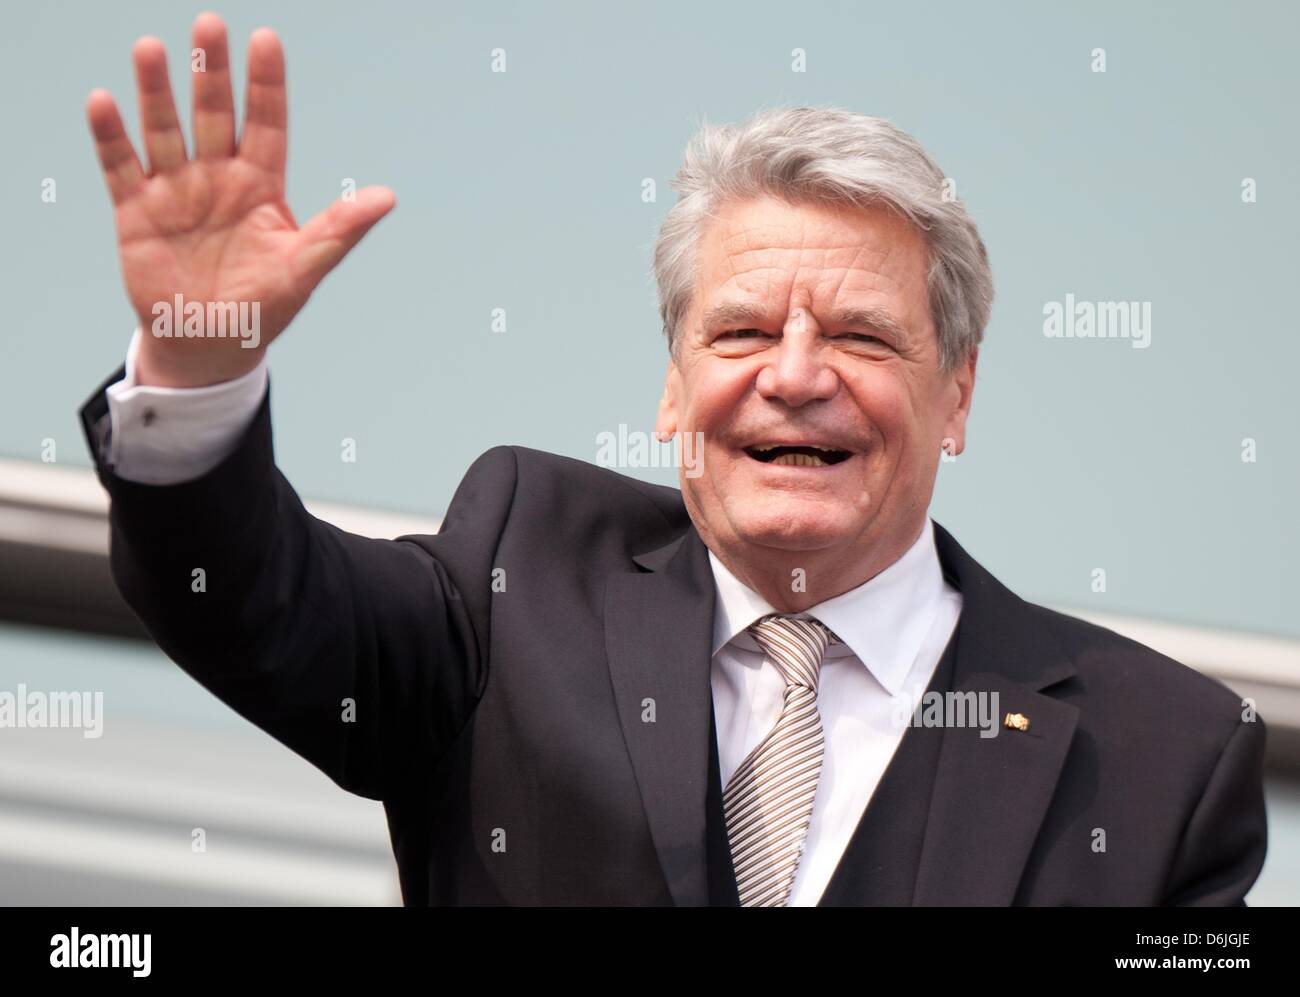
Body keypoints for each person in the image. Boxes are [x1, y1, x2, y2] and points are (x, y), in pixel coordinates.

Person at [78, 13, 1267, 905]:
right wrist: (197, 366)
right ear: (669, 386)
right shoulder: (518, 571)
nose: (794, 374)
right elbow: (246, 597)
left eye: (858, 334)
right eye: (741, 331)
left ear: (954, 394)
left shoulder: (1160, 757)